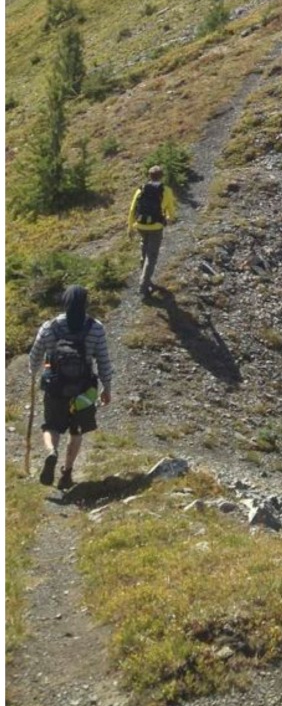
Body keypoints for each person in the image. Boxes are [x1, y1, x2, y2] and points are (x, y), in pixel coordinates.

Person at [29, 285, 113, 491]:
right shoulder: (95, 328)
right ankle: (66, 473)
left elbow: (35, 356)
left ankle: (51, 452)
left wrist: (33, 373)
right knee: (76, 431)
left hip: (55, 387)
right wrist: (107, 387)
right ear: (85, 303)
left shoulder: (49, 327)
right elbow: (103, 361)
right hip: (83, 389)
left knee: (51, 426)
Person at [128, 163, 179, 297]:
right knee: (151, 256)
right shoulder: (166, 190)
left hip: (140, 225)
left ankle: (146, 280)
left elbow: (132, 209)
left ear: (149, 176)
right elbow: (170, 210)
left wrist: (130, 227)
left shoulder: (141, 190)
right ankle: (144, 287)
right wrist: (170, 219)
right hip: (156, 227)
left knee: (144, 251)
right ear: (161, 176)